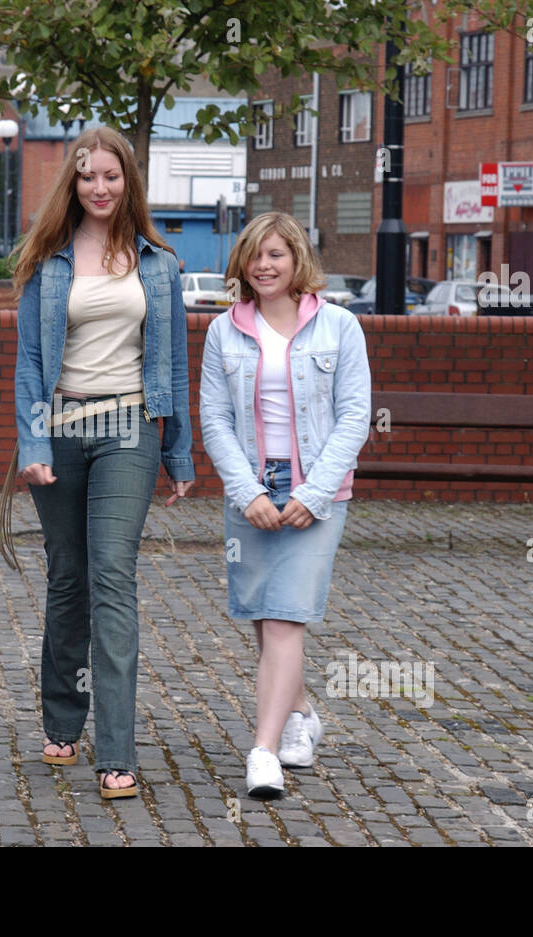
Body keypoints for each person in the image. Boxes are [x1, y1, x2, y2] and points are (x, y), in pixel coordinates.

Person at [8, 126, 194, 799]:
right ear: (74, 183)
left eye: (112, 176)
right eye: (88, 176)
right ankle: (62, 720)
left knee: (112, 575)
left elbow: (172, 360)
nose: (101, 187)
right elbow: (31, 364)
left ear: (129, 181)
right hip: (60, 426)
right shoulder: (46, 260)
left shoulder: (159, 264)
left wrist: (178, 454)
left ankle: (116, 751)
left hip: (129, 428)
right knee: (69, 577)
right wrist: (32, 446)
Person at [199, 212, 370, 798]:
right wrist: (246, 491)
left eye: (276, 254)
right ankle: (300, 716)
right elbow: (215, 420)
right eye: (254, 255)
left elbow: (353, 417)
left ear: (297, 259)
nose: (264, 265)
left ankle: (264, 749)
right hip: (251, 489)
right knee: (262, 614)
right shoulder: (224, 331)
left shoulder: (340, 327)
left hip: (315, 493)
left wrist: (311, 493)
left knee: (284, 616)